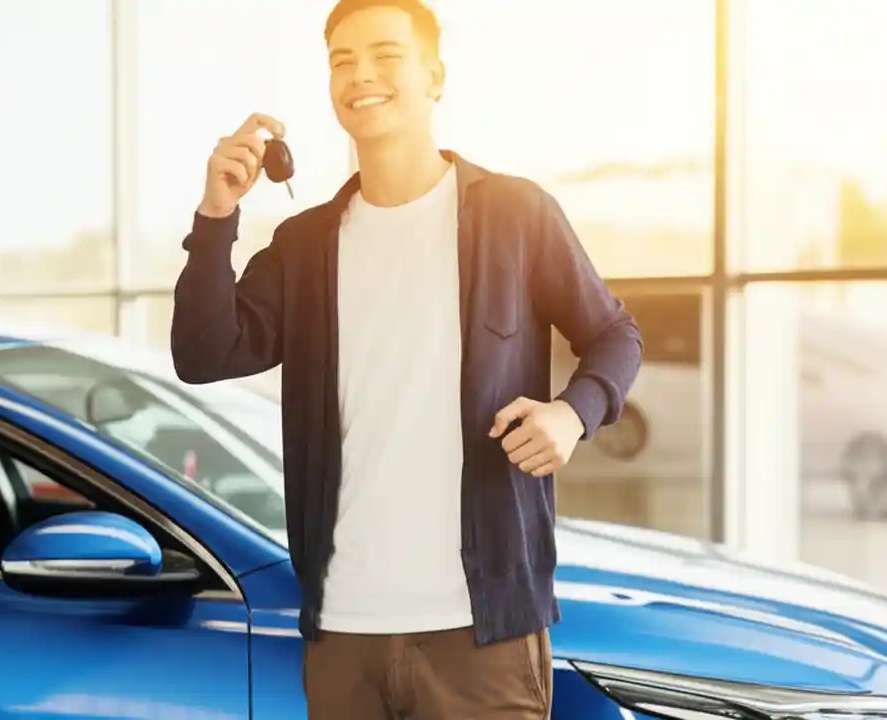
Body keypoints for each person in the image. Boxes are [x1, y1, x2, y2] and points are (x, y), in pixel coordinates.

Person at [170, 0, 643, 716]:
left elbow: (614, 334)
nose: (361, 75)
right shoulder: (305, 247)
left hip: (481, 636)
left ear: (435, 76)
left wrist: (571, 416)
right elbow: (204, 353)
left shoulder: (516, 215)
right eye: (342, 61)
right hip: (344, 636)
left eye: (385, 55)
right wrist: (215, 216)